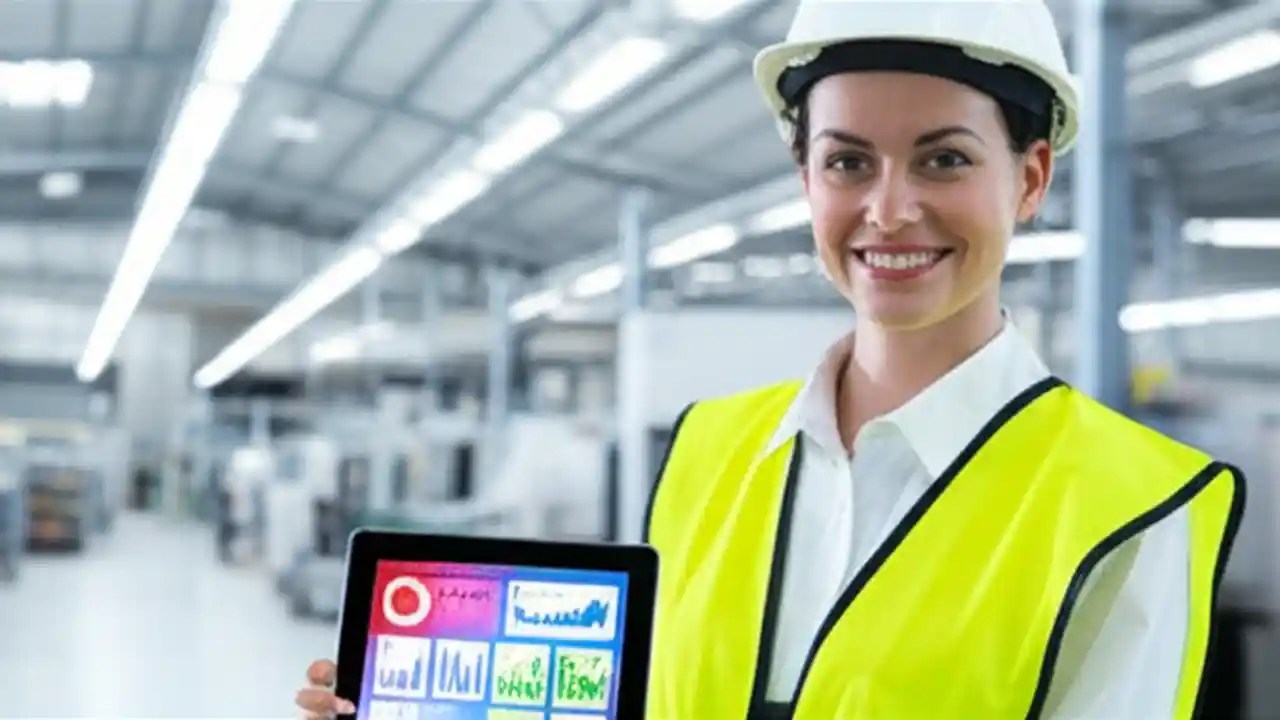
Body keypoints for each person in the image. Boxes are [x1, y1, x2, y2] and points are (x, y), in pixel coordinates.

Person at [296, 0, 1246, 718]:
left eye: (944, 159)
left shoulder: (1130, 508)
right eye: (847, 162)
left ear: (1029, 178)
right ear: (804, 180)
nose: (888, 209)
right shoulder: (711, 449)